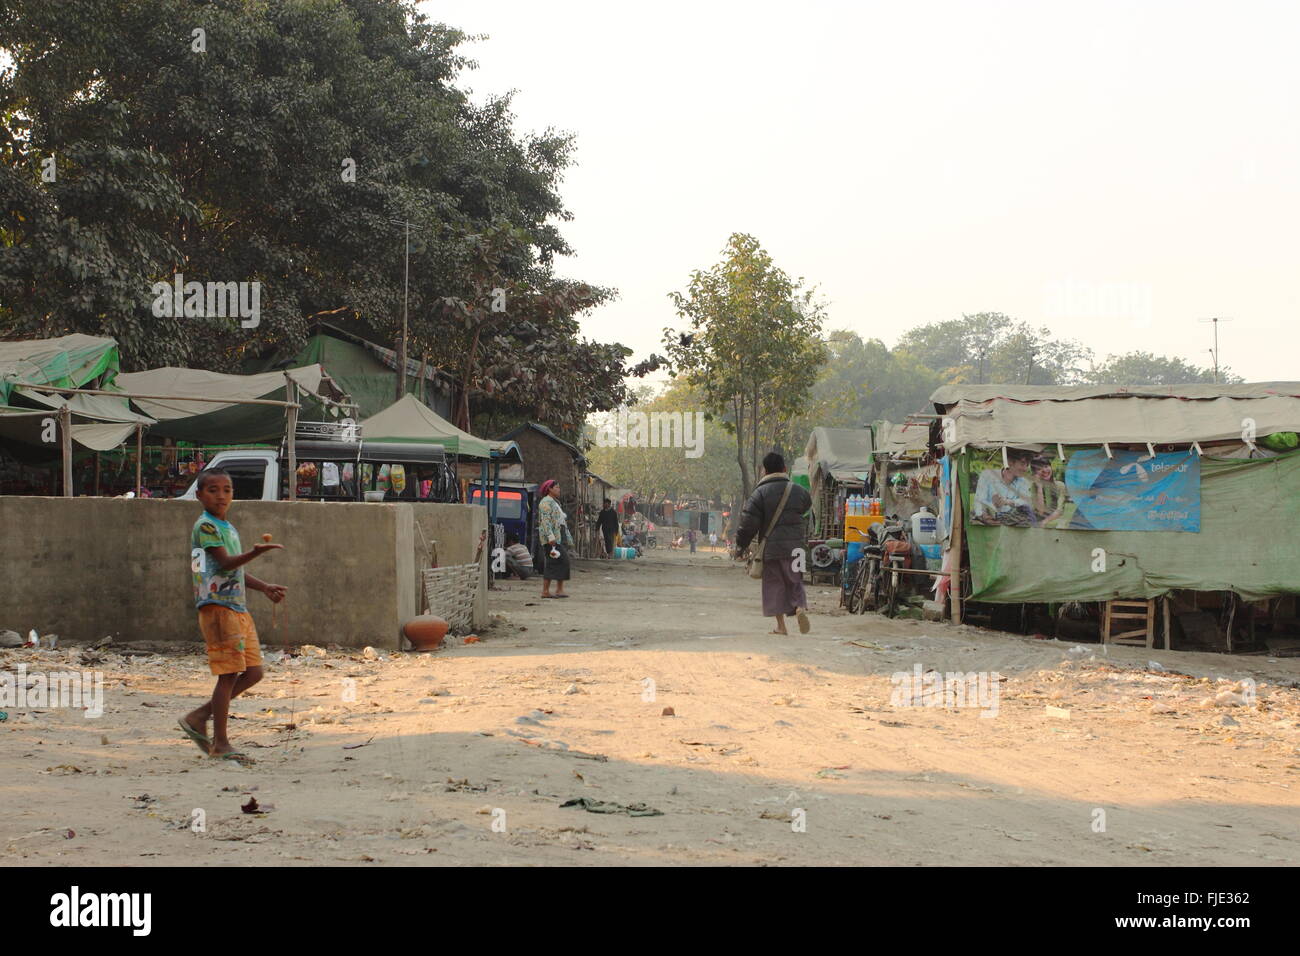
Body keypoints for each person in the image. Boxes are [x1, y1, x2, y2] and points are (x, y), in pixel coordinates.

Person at [179, 468, 286, 760]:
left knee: (253, 672)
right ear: (199, 495)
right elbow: (226, 563)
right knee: (228, 676)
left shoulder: (227, 527)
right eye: (213, 490)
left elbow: (234, 569)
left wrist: (263, 587)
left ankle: (200, 716)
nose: (221, 496)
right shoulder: (206, 527)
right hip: (217, 607)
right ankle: (220, 743)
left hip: (235, 607)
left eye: (227, 490)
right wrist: (256, 553)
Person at [733, 452, 814, 635]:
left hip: (772, 549)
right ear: (785, 469)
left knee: (775, 585)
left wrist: (741, 545)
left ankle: (781, 626)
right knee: (796, 580)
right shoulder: (799, 491)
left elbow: (748, 523)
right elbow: (807, 507)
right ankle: (800, 606)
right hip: (797, 548)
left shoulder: (759, 493)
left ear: (764, 471)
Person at [972, 449, 1034, 526]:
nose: (1025, 469)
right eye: (1022, 464)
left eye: (1027, 465)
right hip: (986, 516)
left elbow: (1026, 501)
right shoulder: (987, 475)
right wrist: (983, 516)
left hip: (1009, 519)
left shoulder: (1023, 482)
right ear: (1010, 462)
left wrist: (1008, 502)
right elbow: (979, 501)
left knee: (1027, 514)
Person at [537, 478, 574, 598]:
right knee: (555, 562)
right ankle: (546, 591)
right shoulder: (545, 502)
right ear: (550, 489)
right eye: (556, 487)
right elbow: (545, 521)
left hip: (556, 537)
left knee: (561, 561)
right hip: (550, 539)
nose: (559, 489)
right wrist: (550, 536)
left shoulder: (554, 502)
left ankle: (559, 589)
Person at [1030, 456, 1066, 526]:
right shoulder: (1033, 486)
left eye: (1046, 466)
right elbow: (1040, 511)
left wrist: (1044, 522)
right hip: (1036, 521)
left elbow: (1059, 510)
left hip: (1054, 520)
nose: (1044, 470)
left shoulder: (1060, 485)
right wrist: (1039, 487)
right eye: (1039, 469)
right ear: (1034, 473)